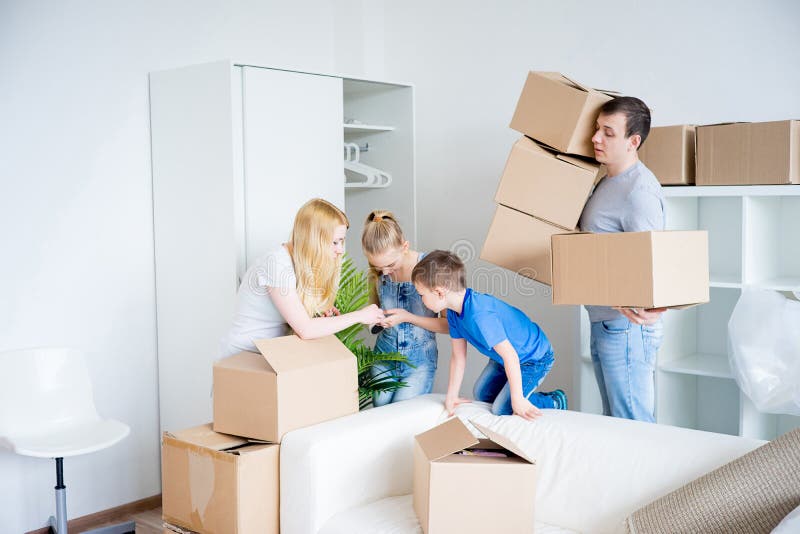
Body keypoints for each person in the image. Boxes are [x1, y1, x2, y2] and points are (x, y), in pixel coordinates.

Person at [577, 96, 666, 422]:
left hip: (626, 327)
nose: (596, 138)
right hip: (605, 319)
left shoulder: (638, 192)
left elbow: (651, 263)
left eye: (608, 133)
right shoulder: (608, 181)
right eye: (597, 129)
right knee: (616, 420)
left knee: (633, 423)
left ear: (633, 141)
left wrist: (650, 305)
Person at [411, 250, 567, 420]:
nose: (421, 300)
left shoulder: (480, 315)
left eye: (421, 295)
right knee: (482, 393)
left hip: (533, 358)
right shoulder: (452, 313)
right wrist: (452, 395)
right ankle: (519, 395)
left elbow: (511, 356)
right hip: (505, 356)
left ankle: (554, 401)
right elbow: (458, 357)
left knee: (502, 408)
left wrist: (517, 400)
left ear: (440, 292)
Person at [220, 198, 385, 357]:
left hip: (271, 356)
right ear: (314, 240)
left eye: (342, 242)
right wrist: (360, 316)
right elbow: (306, 329)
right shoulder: (277, 263)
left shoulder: (298, 264)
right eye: (335, 242)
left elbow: (297, 318)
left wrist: (317, 313)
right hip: (244, 359)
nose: (340, 250)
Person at [361, 210, 449, 406]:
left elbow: (448, 325)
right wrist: (374, 321)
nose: (385, 272)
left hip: (419, 363)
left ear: (405, 247)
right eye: (378, 267)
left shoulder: (430, 269)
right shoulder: (378, 272)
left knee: (400, 420)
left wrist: (408, 317)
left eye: (390, 264)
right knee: (379, 418)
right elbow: (374, 306)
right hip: (383, 357)